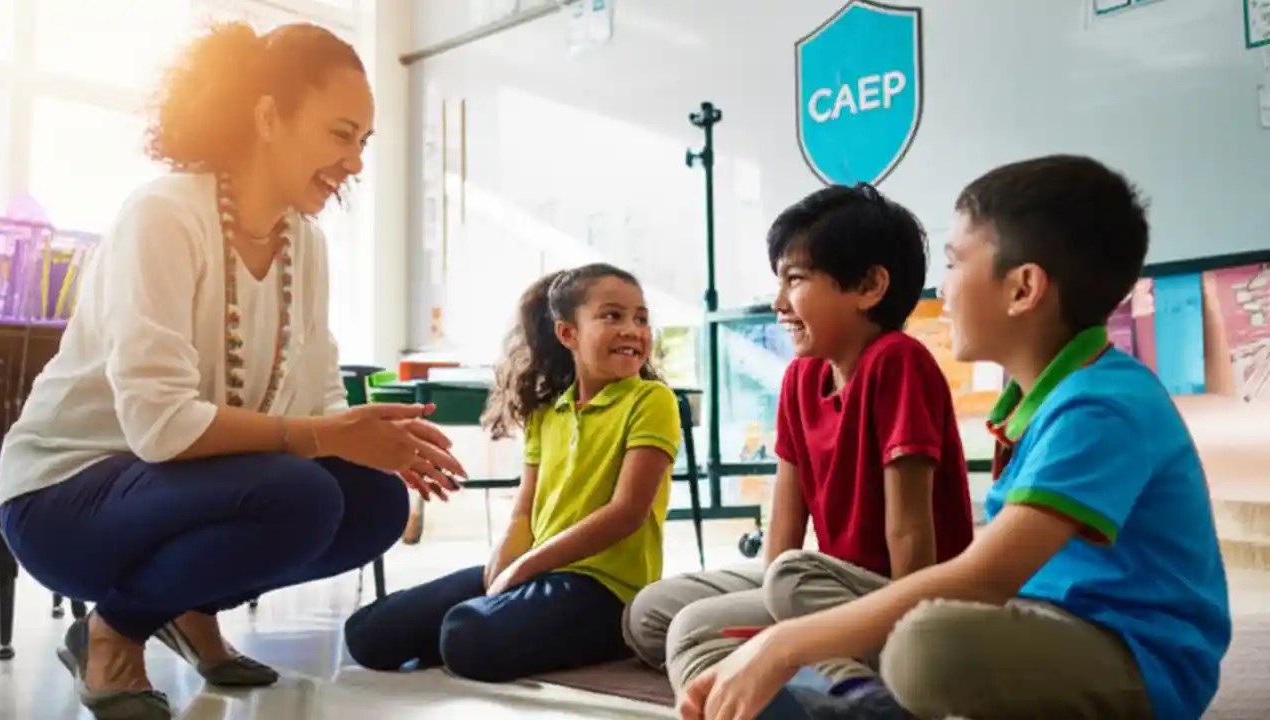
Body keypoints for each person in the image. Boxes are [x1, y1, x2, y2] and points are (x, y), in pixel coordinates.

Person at [0, 22, 465, 720]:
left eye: (363, 143)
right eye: (341, 135)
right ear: (268, 116)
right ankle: (113, 631)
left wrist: (378, 444)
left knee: (373, 503)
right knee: (302, 492)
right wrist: (330, 434)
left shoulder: (305, 244)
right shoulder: (163, 215)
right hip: (67, 501)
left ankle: (187, 609)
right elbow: (160, 428)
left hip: (178, 492)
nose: (355, 163)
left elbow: (318, 394)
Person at [678, 155, 1232, 720]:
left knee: (926, 645)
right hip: (1040, 626)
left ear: (1023, 288)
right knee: (699, 636)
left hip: (1137, 662)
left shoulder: (1103, 406)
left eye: (954, 262)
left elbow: (983, 576)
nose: (941, 291)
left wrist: (787, 642)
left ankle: (856, 701)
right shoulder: (1039, 398)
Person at [623, 184, 974, 697]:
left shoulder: (897, 360)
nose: (779, 302)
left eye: (796, 279)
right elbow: (786, 517)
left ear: (870, 286)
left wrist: (911, 636)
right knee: (651, 615)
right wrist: (771, 602)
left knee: (785, 582)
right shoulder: (801, 378)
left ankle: (855, 689)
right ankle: (811, 675)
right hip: (824, 589)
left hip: (900, 595)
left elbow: (910, 532)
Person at [344, 263, 683, 682]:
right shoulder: (547, 413)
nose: (633, 329)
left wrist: (524, 570)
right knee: (367, 635)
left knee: (466, 635)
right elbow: (524, 510)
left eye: (641, 318)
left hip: (607, 591)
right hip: (541, 570)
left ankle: (580, 633)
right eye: (612, 315)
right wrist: (500, 568)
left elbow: (626, 512)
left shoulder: (653, 400)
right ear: (567, 334)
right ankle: (498, 622)